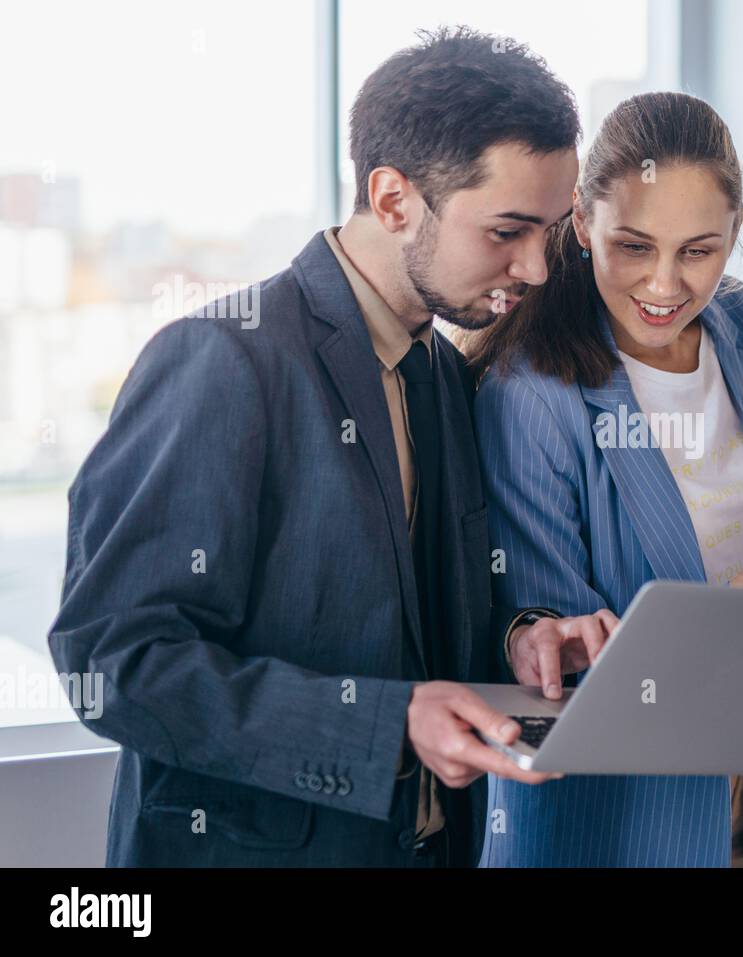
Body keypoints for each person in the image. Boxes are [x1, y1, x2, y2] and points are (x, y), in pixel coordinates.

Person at [47, 26, 616, 868]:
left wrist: (522, 637)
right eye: (506, 231)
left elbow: (416, 632)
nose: (536, 268)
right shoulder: (223, 360)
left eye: (549, 232)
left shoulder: (442, 372)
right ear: (393, 200)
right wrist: (385, 724)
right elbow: (113, 659)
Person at [467, 91, 743, 867]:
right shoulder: (531, 396)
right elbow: (565, 687)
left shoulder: (740, 323)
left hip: (740, 795)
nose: (666, 285)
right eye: (633, 246)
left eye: (699, 250)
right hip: (609, 825)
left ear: (735, 234)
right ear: (581, 224)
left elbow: (738, 537)